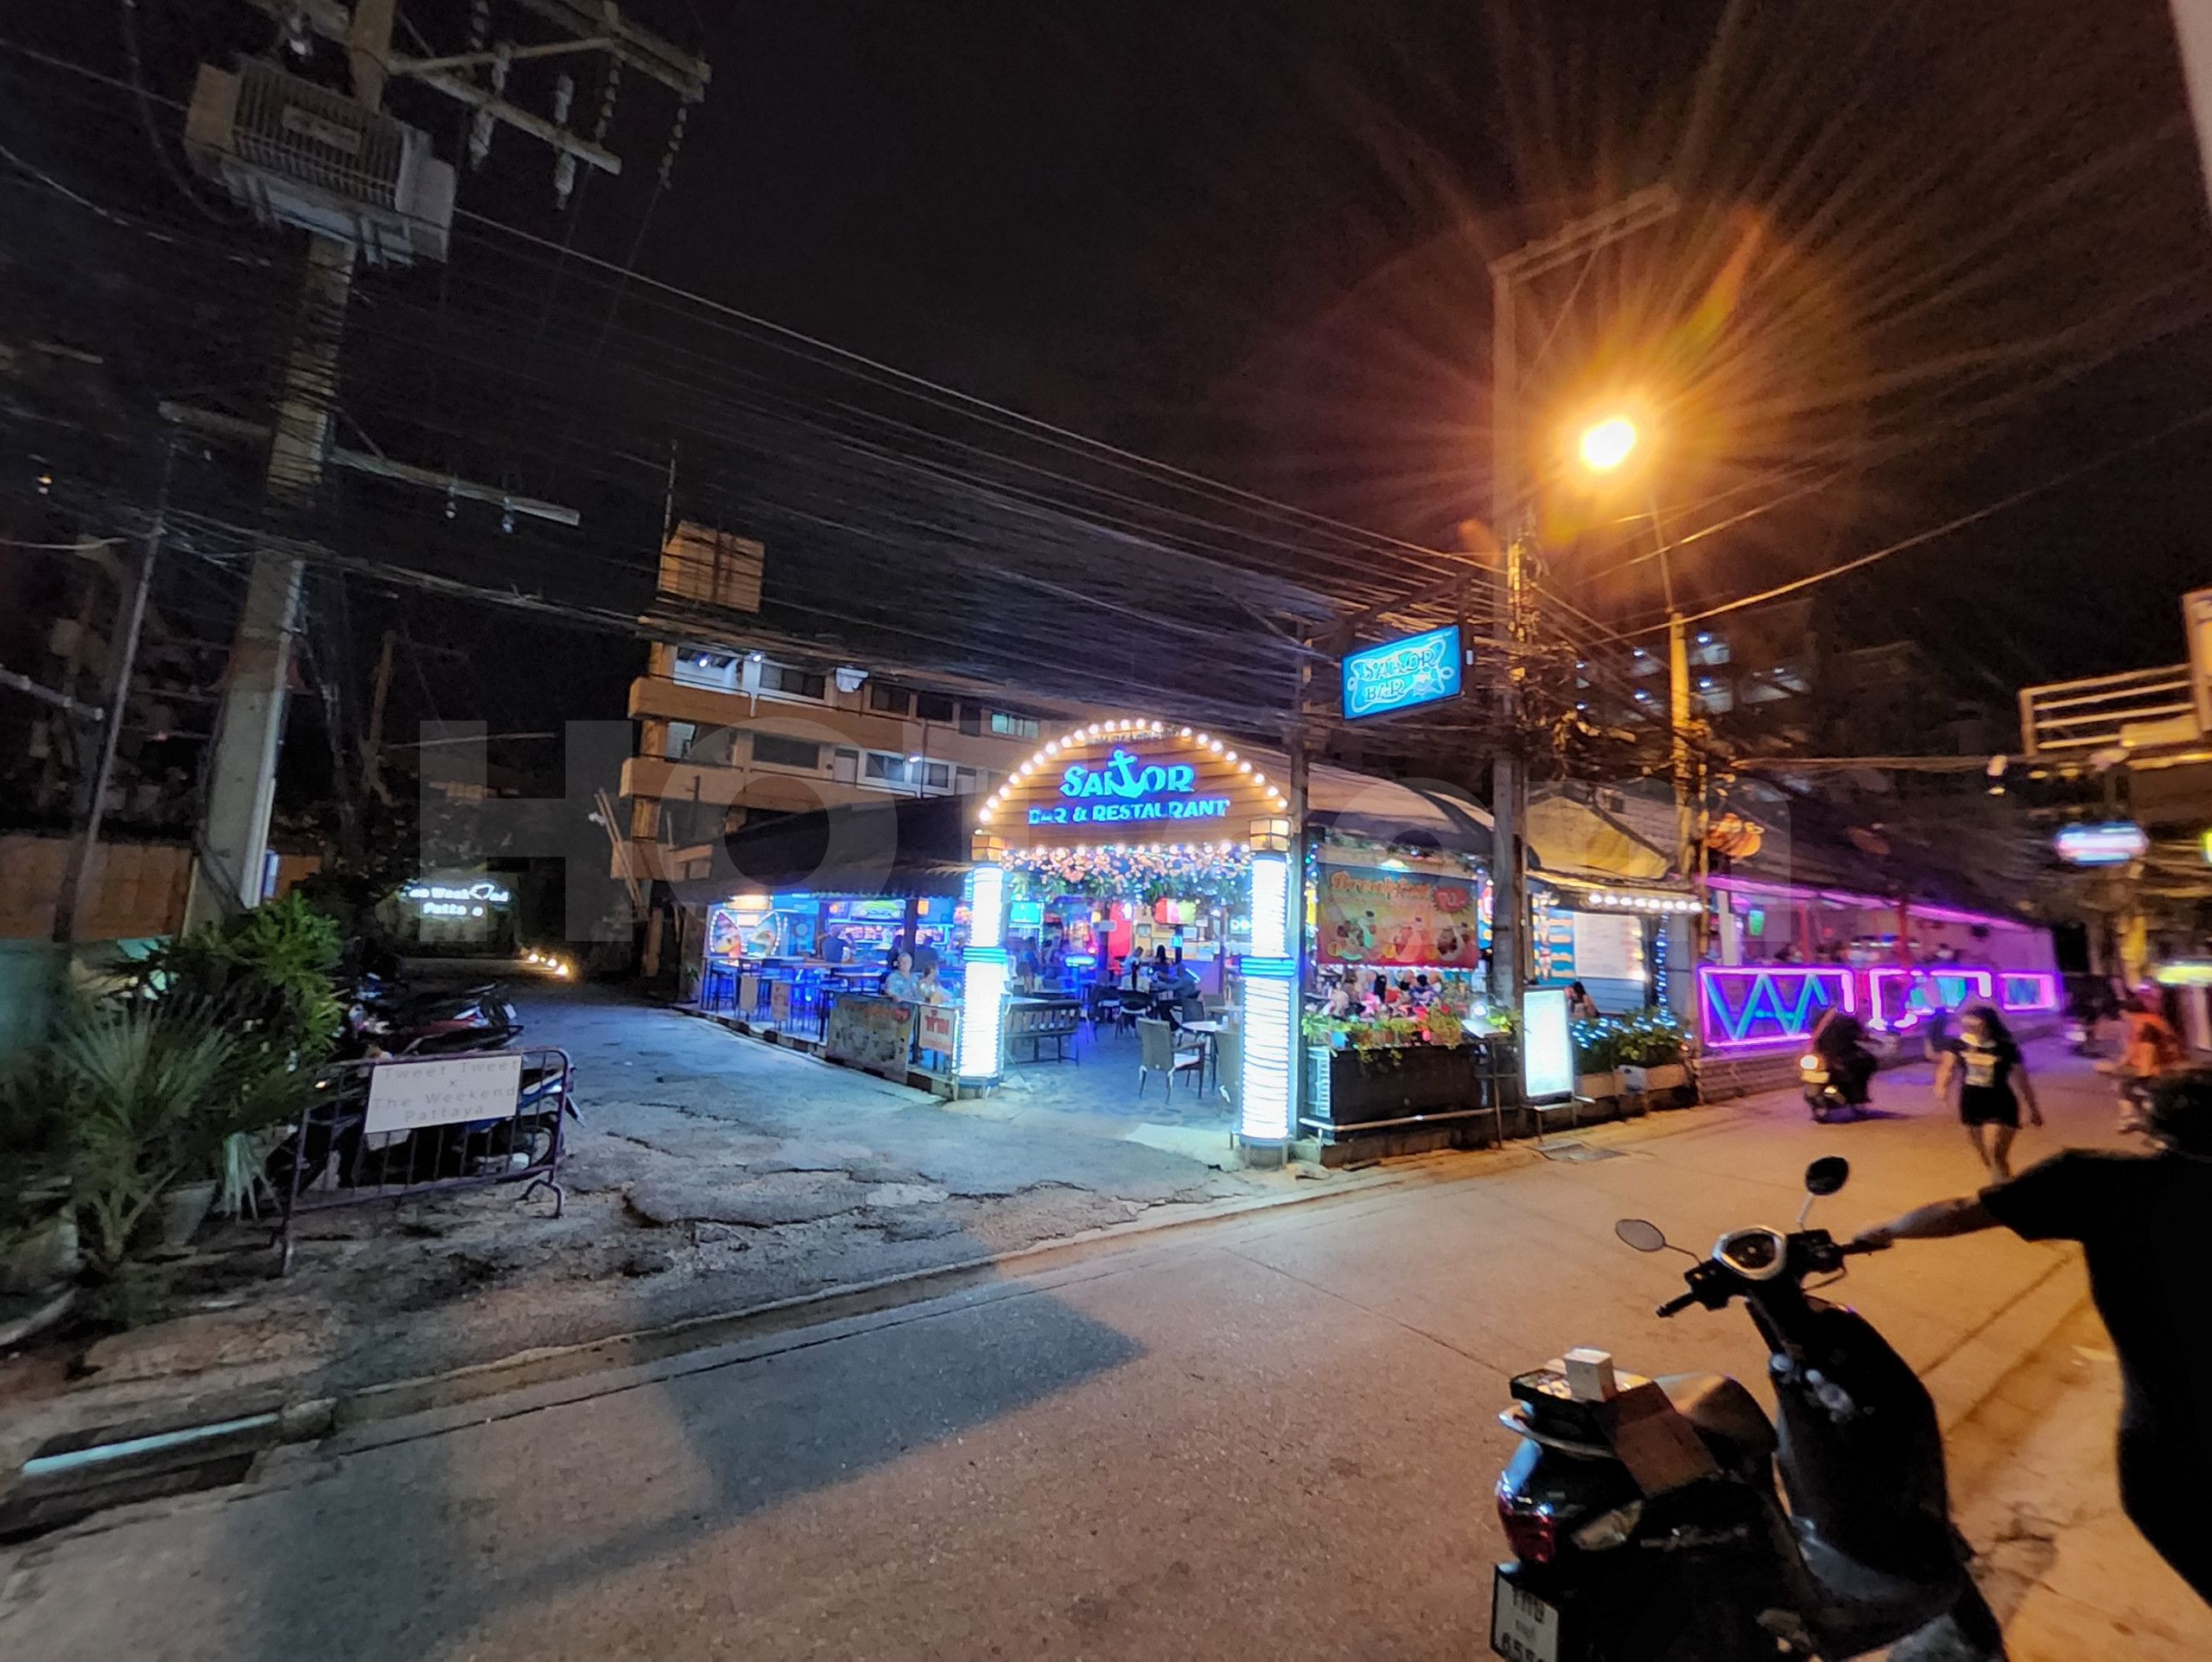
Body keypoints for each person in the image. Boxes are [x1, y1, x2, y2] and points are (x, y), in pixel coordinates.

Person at [1853, 1069, 2212, 1605]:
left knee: (2165, 1510)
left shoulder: (2095, 1182)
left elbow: (1960, 1213)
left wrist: (1884, 1231)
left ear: (2152, 1124)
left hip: (2172, 1434)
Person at [1936, 1003, 2042, 1181]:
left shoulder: (2006, 1047)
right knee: (1984, 1153)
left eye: (1974, 1018)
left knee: (1996, 1153)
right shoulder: (1958, 1044)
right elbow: (1947, 1067)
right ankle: (2002, 1183)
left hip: (2001, 1102)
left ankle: (2003, 1192)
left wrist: (2034, 1110)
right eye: (1966, 1018)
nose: (1968, 1022)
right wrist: (1941, 1087)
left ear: (1987, 1022)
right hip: (1971, 1102)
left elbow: (2022, 1080)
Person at [1809, 1003, 1876, 1105]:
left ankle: (1853, 1095)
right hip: (1839, 1057)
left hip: (1825, 1056)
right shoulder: (1847, 1021)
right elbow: (1860, 1036)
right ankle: (1859, 1094)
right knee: (1868, 1062)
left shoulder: (1821, 1021)